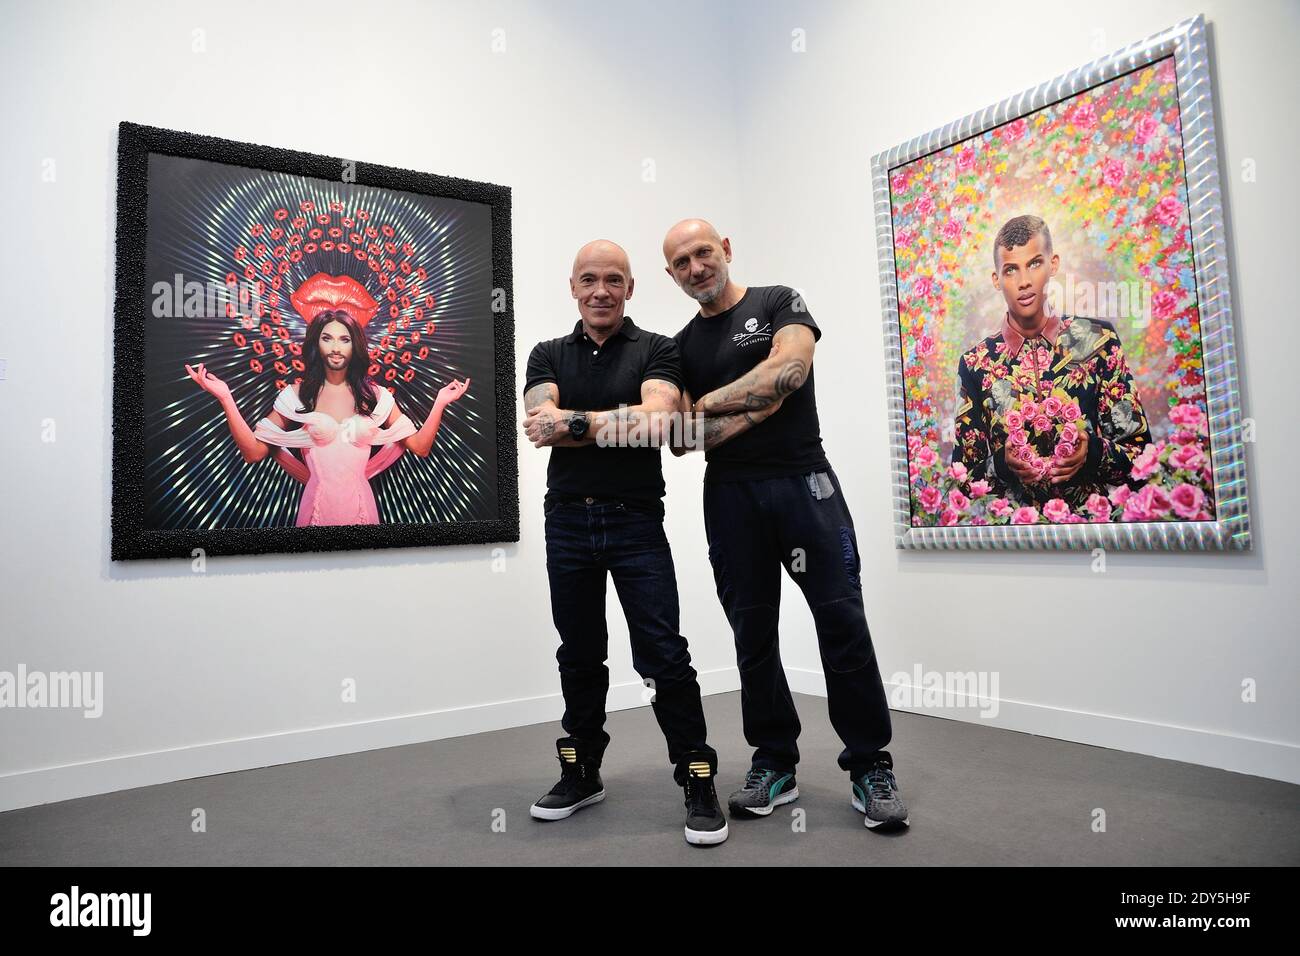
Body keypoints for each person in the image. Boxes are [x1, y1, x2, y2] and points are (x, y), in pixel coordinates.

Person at [663, 218, 908, 831]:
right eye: (682, 262)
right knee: (752, 634)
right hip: (730, 498)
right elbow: (681, 436)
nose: (696, 268)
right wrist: (759, 400)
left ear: (726, 248)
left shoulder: (778, 301)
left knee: (842, 621)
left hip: (806, 485)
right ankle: (773, 761)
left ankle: (870, 764)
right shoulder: (680, 346)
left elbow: (790, 371)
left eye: (703, 252)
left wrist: (714, 402)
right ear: (671, 275)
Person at [521, 239, 727, 846]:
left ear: (630, 288)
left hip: (634, 520)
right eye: (589, 279)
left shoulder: (658, 349)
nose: (601, 291)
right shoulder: (546, 354)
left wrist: (575, 422)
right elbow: (539, 425)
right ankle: (580, 771)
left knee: (663, 654)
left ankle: (697, 779)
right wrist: (615, 421)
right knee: (579, 654)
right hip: (566, 521)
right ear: (573, 287)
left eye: (614, 279)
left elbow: (658, 423)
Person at [186, 275, 469, 526]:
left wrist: (440, 402)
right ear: (316, 343)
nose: (335, 347)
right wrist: (225, 397)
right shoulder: (295, 396)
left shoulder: (376, 397)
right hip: (316, 510)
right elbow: (253, 453)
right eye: (327, 338)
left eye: (344, 339)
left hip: (362, 510)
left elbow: (420, 447)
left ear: (355, 345)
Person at [952, 215, 1152, 513]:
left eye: (1034, 264)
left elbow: (1142, 460)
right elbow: (963, 481)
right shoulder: (975, 364)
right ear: (996, 279)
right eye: (1011, 270)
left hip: (1092, 528)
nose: (1024, 281)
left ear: (1053, 264)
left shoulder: (1098, 340)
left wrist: (1092, 453)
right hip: (1015, 535)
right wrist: (1003, 465)